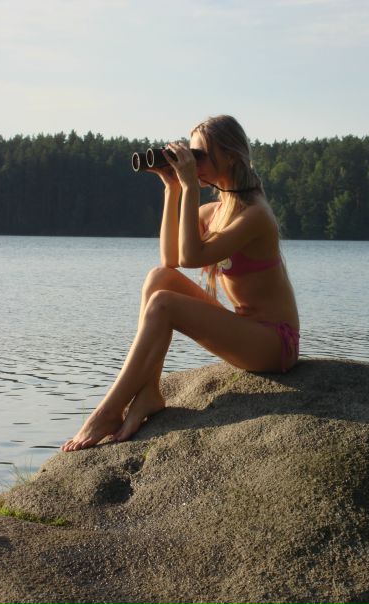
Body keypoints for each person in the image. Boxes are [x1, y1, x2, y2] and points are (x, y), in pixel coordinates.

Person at [61, 115, 300, 452]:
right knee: (158, 279)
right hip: (247, 330)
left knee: (164, 304)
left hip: (275, 344)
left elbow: (190, 257)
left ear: (231, 157)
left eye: (200, 155)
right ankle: (148, 392)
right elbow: (170, 259)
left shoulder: (255, 214)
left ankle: (108, 411)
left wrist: (189, 187)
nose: (193, 162)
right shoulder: (217, 211)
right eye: (191, 154)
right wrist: (172, 189)